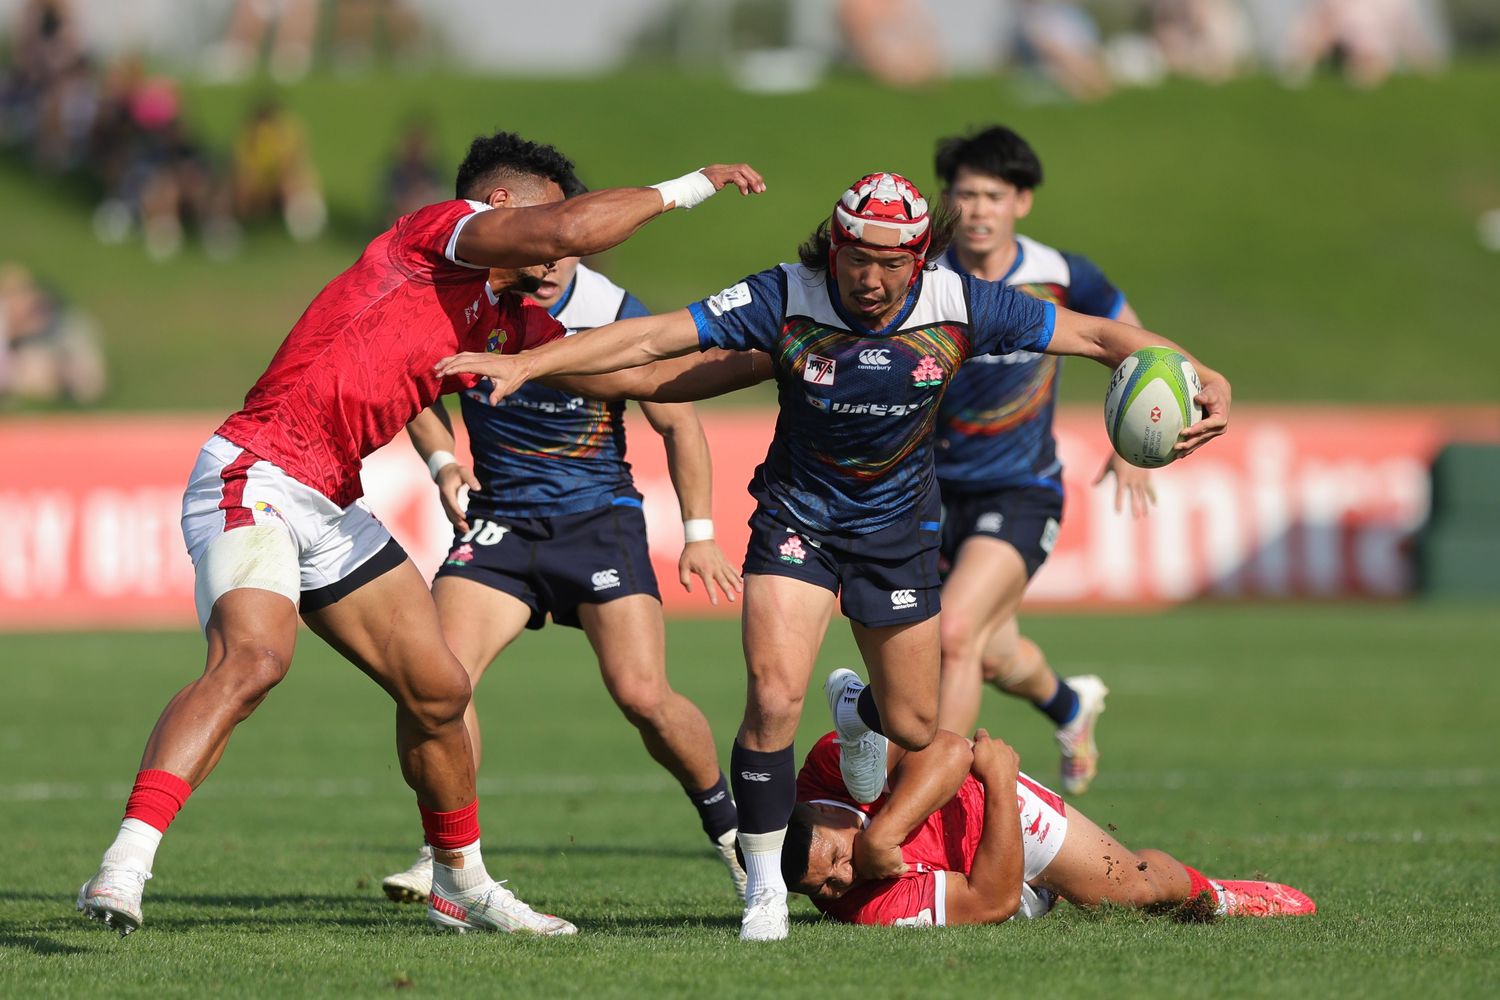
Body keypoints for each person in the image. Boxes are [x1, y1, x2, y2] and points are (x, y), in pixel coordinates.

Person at [433, 170, 1232, 940]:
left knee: (915, 723)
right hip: (798, 519)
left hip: (897, 532)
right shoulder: (786, 293)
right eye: (857, 260)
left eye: (891, 264)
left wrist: (1200, 373)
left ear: (919, 258)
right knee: (773, 696)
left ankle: (860, 714)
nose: (872, 280)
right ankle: (763, 892)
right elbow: (653, 336)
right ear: (835, 248)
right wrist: (528, 363)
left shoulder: (961, 302)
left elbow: (1096, 334)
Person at [73, 129, 766, 938]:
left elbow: (650, 375)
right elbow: (570, 228)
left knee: (439, 691)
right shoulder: (439, 234)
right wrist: (693, 184)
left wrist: (789, 351)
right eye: (545, 225)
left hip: (332, 500)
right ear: (497, 207)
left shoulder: (506, 323)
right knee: (255, 660)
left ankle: (460, 882)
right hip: (257, 470)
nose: (557, 255)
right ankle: (125, 863)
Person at [386, 227, 748, 904]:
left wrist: (699, 533)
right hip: (500, 522)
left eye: (563, 247)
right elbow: (416, 387)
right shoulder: (468, 308)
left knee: (643, 694)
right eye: (534, 249)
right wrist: (443, 463)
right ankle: (445, 853)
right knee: (437, 683)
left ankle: (734, 835)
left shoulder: (615, 312)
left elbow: (677, 421)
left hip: (597, 520)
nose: (548, 264)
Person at [930, 124, 1152, 795]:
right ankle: (1069, 705)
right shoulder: (924, 274)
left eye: (993, 195)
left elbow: (1135, 346)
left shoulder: (1061, 275)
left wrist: (1137, 443)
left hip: (1019, 489)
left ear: (1021, 201)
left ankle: (933, 803)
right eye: (966, 194)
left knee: (955, 633)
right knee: (992, 653)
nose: (978, 210)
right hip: (925, 492)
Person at [785, 725, 1316, 925]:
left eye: (835, 858)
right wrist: (999, 778)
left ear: (821, 810)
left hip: (984, 800)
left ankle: (1218, 896)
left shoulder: (829, 765)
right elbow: (991, 902)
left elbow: (948, 750)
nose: (842, 879)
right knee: (1016, 900)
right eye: (821, 888)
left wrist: (883, 836)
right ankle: (1044, 893)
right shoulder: (858, 906)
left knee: (1136, 890)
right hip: (986, 856)